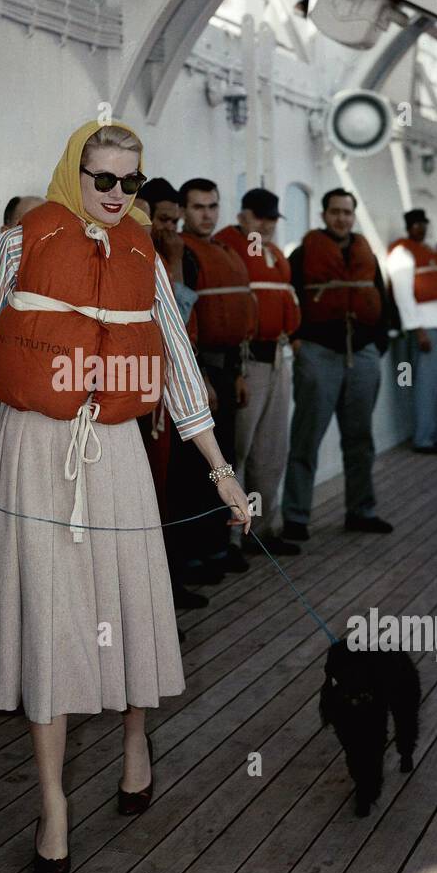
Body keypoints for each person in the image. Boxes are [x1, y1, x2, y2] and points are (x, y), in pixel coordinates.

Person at [0, 120, 250, 873]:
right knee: (50, 613)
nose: (116, 194)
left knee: (132, 597)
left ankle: (135, 739)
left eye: (129, 181)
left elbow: (178, 371)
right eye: (102, 178)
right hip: (32, 446)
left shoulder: (146, 253)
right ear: (73, 172)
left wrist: (222, 474)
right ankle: (52, 803)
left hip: (114, 451)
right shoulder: (21, 240)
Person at [282, 188, 393, 541]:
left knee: (360, 438)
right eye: (335, 212)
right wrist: (297, 340)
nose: (341, 218)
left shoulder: (367, 255)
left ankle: (362, 510)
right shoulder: (302, 254)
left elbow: (381, 298)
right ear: (324, 214)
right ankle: (296, 517)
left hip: (361, 354)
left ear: (353, 215)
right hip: (317, 353)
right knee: (306, 437)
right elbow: (290, 297)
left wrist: (378, 344)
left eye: (347, 212)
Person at [214, 188, 301, 555]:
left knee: (271, 450)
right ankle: (232, 536)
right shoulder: (226, 246)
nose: (266, 224)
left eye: (272, 218)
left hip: (278, 358)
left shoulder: (276, 254)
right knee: (239, 450)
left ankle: (263, 530)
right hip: (246, 360)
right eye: (260, 216)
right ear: (243, 215)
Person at [180, 176, 257, 577]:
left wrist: (239, 371)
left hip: (227, 370)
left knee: (224, 461)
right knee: (198, 468)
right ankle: (193, 553)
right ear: (183, 211)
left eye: (212, 206)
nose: (206, 215)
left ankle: (216, 545)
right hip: (200, 371)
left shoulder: (225, 251)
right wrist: (202, 378)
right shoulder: (184, 255)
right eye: (197, 207)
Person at [139, 177, 208, 609]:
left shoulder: (173, 256)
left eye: (172, 220)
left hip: (172, 392)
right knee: (150, 496)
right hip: (143, 399)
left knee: (174, 491)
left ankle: (168, 583)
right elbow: (172, 319)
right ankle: (151, 597)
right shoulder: (141, 259)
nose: (168, 229)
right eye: (160, 220)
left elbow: (185, 331)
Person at [387, 207, 437, 454]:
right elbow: (403, 294)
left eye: (424, 224)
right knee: (424, 385)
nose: (421, 228)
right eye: (416, 224)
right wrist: (417, 330)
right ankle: (423, 438)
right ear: (408, 227)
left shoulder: (428, 252)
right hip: (424, 325)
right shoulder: (402, 253)